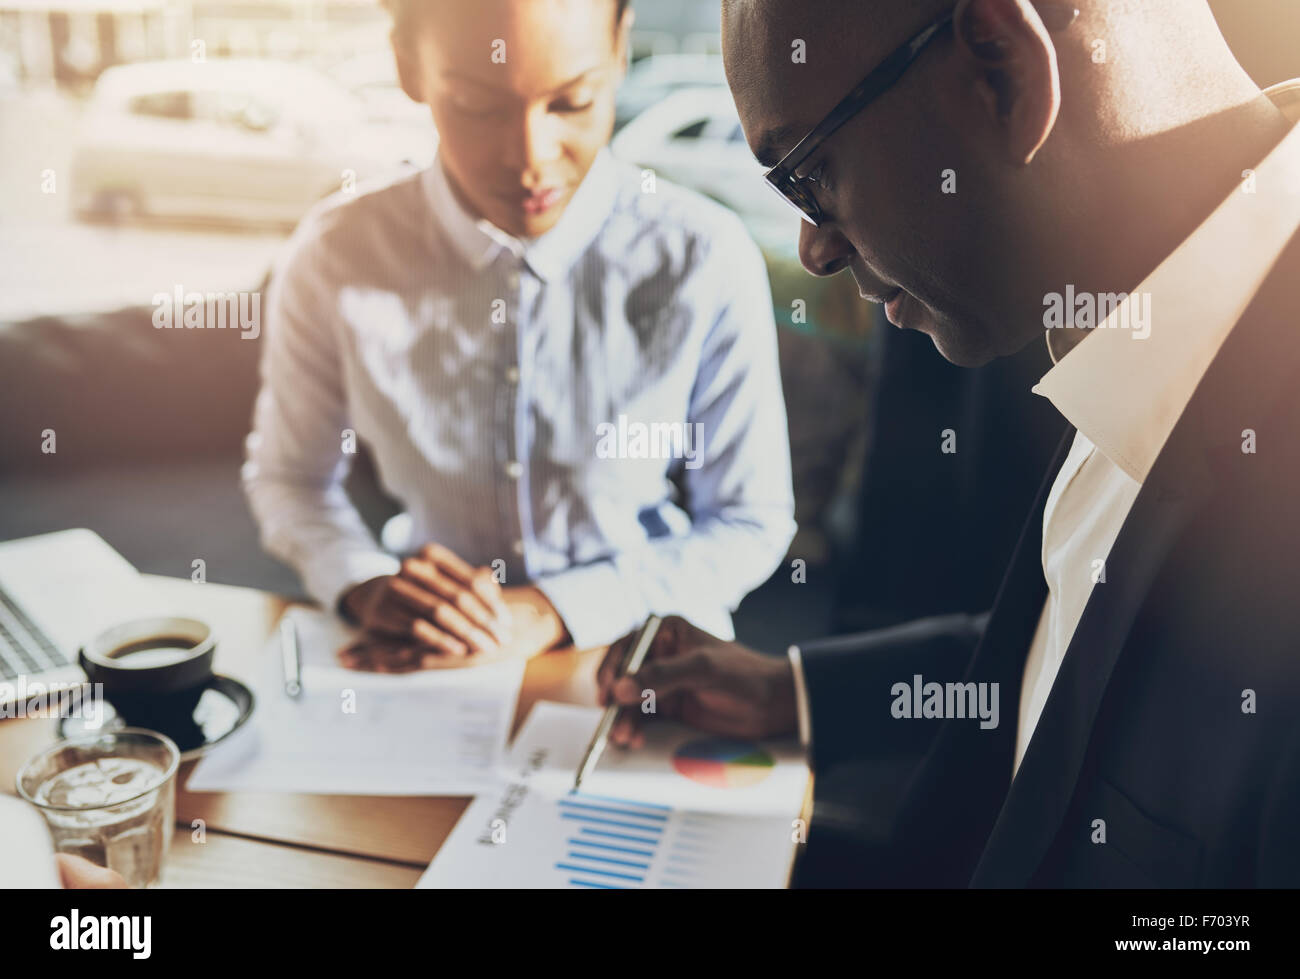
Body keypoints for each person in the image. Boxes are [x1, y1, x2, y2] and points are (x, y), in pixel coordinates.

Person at [597, 0, 1300, 886]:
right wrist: (796, 692)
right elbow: (1083, 656)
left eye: (808, 175)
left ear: (1002, 69)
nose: (811, 248)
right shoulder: (1127, 316)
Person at [243, 0, 796, 670]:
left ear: (621, 51)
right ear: (407, 67)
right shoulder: (335, 257)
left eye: (572, 102)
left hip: (647, 650)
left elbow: (749, 521)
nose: (530, 160)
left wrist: (546, 608)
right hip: (430, 650)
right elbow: (290, 479)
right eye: (479, 107)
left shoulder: (702, 256)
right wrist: (362, 582)